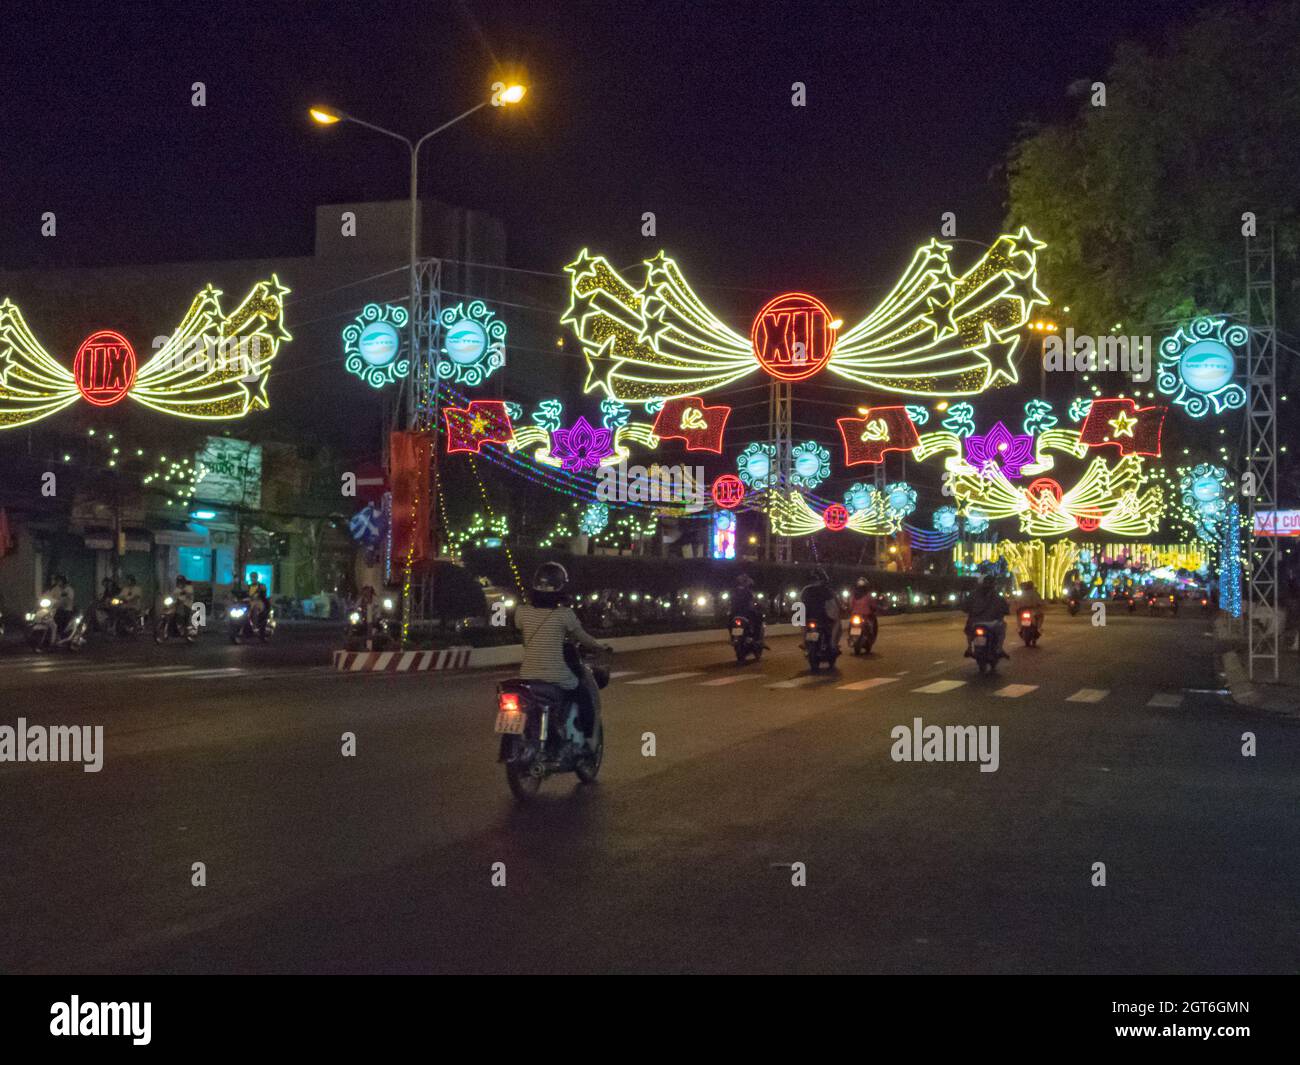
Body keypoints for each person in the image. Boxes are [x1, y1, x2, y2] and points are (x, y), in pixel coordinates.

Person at [514, 562, 609, 751]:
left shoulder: (521, 612)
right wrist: (600, 646)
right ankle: (590, 741)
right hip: (556, 675)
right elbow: (583, 638)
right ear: (560, 587)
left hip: (527, 675)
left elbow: (523, 632)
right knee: (583, 694)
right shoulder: (564, 615)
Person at [965, 574, 1009, 658]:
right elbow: (1004, 608)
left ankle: (970, 648)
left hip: (975, 622)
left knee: (969, 630)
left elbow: (965, 606)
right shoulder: (997, 596)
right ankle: (999, 648)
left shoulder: (973, 595)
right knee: (1002, 628)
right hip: (992, 623)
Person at [800, 566, 841, 648]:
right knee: (837, 622)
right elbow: (834, 604)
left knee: (802, 622)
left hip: (808, 615)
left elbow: (800, 602)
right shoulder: (827, 590)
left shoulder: (805, 590)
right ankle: (833, 643)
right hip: (823, 616)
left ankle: (804, 641)